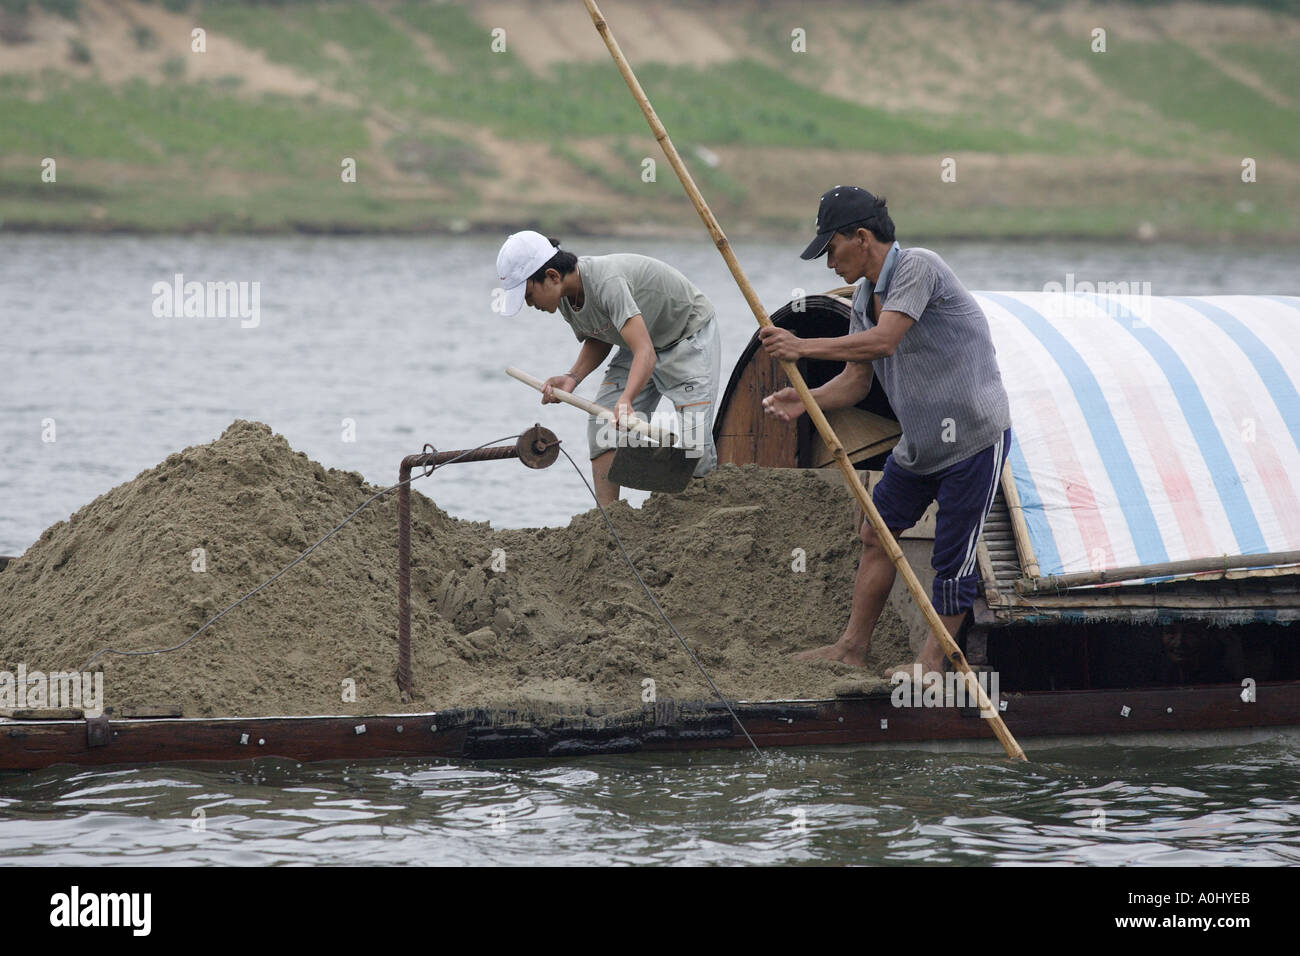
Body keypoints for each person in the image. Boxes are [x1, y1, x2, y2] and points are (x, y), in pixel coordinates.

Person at [759, 187, 1012, 679]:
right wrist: (804, 402)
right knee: (876, 535)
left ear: (861, 237)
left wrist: (800, 344)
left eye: (831, 250)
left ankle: (931, 663)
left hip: (972, 442)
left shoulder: (919, 266)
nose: (829, 263)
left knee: (952, 560)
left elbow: (886, 340)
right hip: (918, 447)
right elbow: (856, 380)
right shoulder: (861, 298)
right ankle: (852, 647)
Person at [496, 230, 721, 506]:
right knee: (603, 425)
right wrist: (572, 377)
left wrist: (626, 401)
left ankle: (706, 511)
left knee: (693, 444)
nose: (530, 305)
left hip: (685, 336)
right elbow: (599, 335)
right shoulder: (566, 299)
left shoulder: (607, 283)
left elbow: (646, 354)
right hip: (639, 341)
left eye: (529, 295)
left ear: (553, 276)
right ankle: (609, 521)